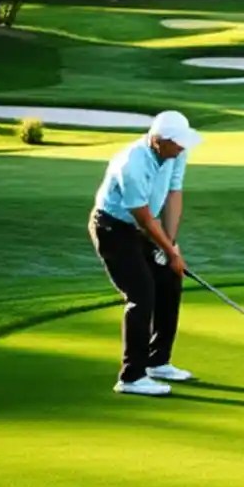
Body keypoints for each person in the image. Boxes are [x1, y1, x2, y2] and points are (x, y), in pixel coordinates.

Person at [87, 110, 202, 396]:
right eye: (177, 143)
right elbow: (145, 219)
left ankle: (158, 361)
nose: (182, 147)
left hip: (142, 228)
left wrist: (172, 243)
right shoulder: (132, 164)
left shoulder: (175, 153)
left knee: (169, 282)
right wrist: (170, 253)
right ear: (158, 140)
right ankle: (131, 376)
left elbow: (174, 192)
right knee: (141, 294)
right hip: (112, 228)